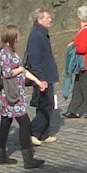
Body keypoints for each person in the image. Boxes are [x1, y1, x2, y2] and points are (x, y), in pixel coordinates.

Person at [0, 26, 44, 168]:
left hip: (11, 94)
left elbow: (23, 71)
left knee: (6, 123)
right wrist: (20, 69)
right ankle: (28, 158)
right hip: (11, 95)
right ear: (11, 36)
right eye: (17, 34)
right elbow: (7, 72)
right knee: (25, 124)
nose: (19, 37)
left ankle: (1, 155)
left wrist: (37, 81)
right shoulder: (5, 52)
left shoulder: (9, 52)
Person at [25, 8, 60, 147]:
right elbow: (34, 60)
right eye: (47, 17)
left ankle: (44, 133)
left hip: (46, 76)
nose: (50, 19)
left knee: (47, 104)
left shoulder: (41, 33)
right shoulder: (36, 35)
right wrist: (41, 78)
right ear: (40, 20)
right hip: (42, 77)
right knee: (46, 104)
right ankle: (33, 132)